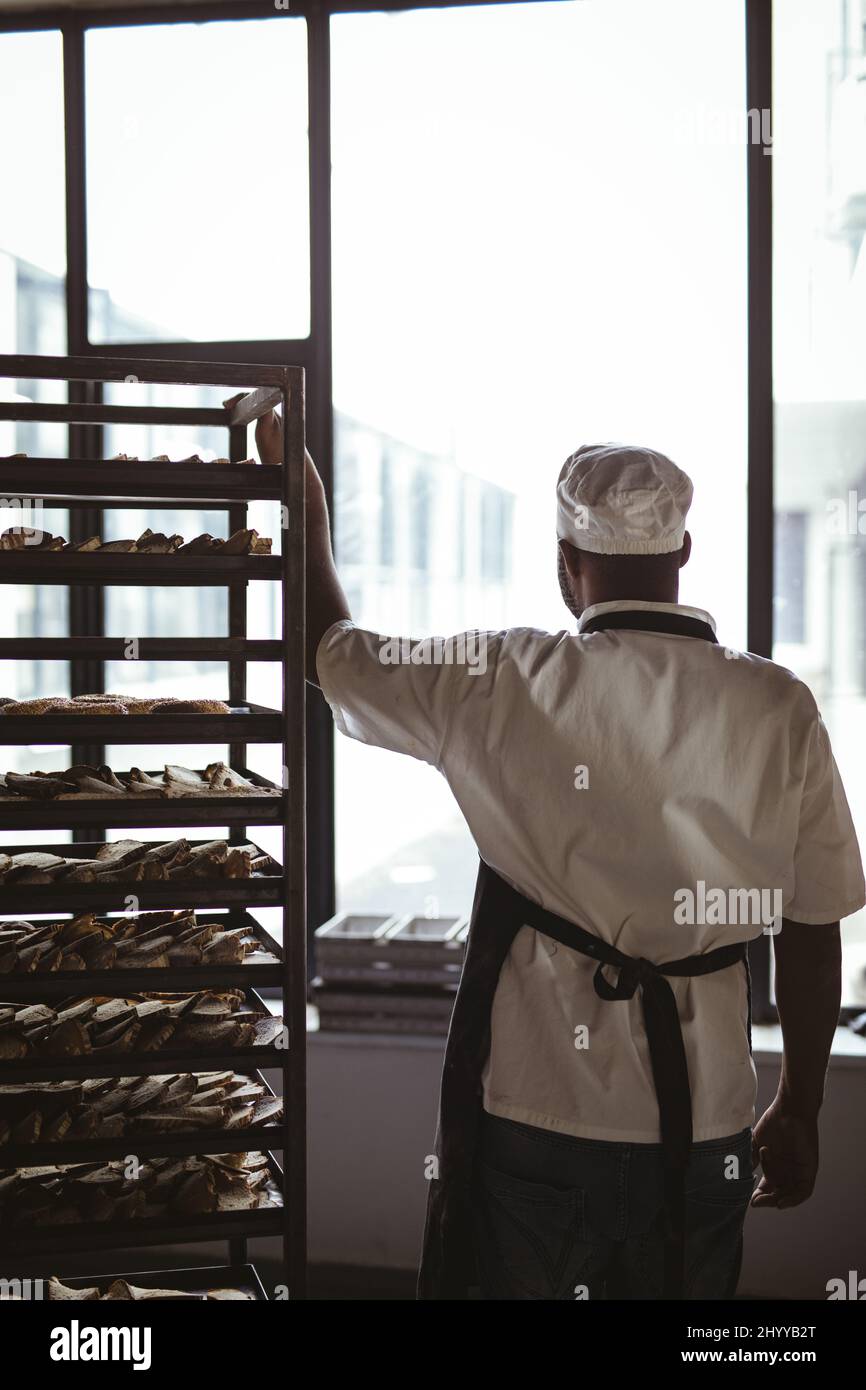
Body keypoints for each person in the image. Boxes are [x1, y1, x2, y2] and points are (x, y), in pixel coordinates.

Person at [257, 415, 864, 1300]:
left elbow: (330, 656)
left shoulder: (499, 676)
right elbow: (814, 932)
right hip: (708, 1122)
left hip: (540, 1117)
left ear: (563, 560)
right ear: (684, 549)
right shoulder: (779, 705)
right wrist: (800, 1104)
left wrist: (302, 505)